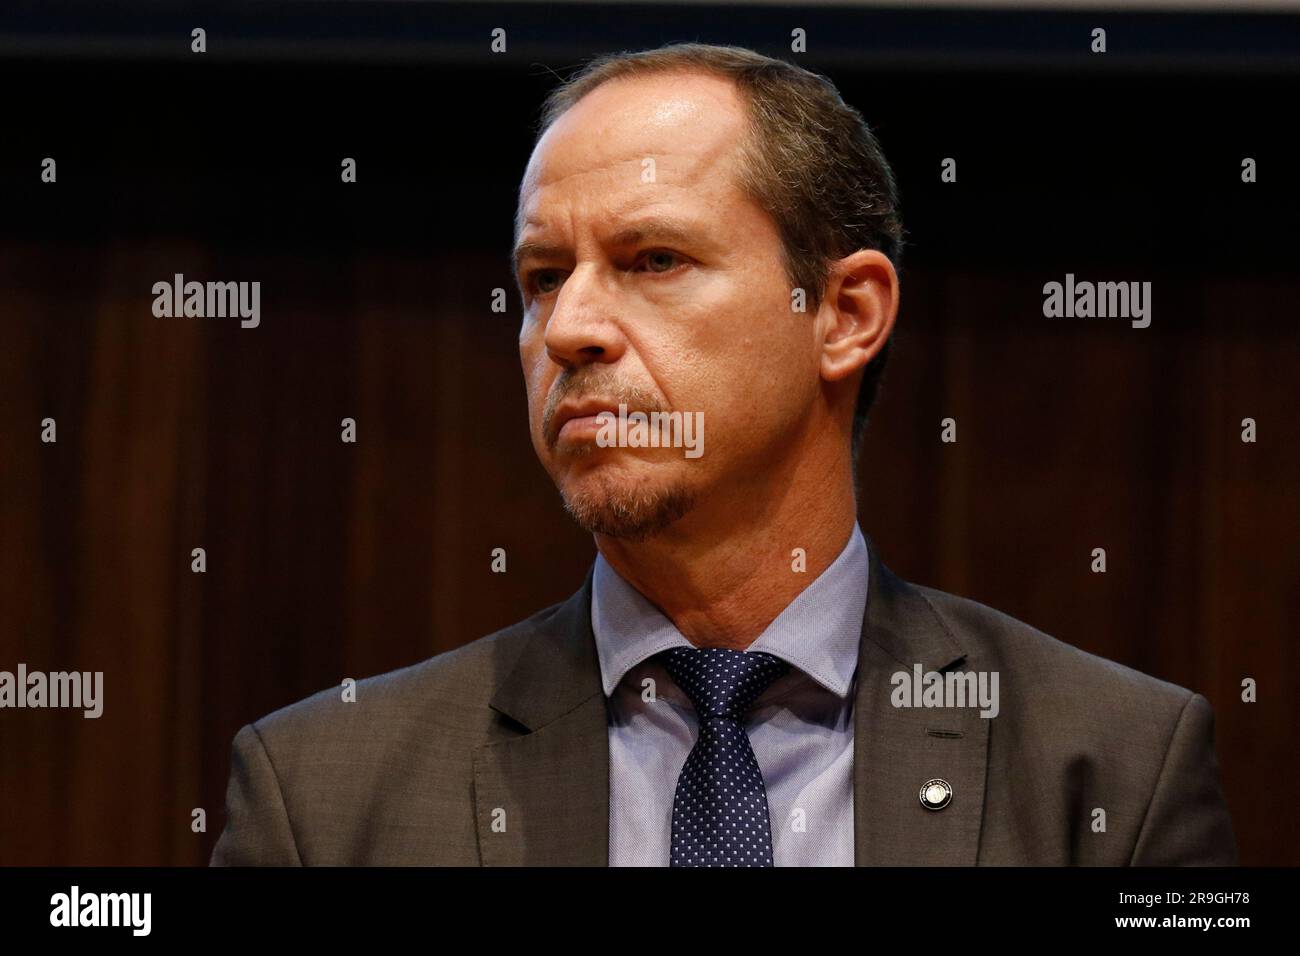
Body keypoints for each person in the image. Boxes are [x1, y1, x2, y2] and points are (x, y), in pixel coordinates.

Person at [210, 42, 1236, 866]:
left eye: (653, 260)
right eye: (541, 275)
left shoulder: (1108, 768)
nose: (569, 328)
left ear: (843, 313)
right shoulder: (323, 794)